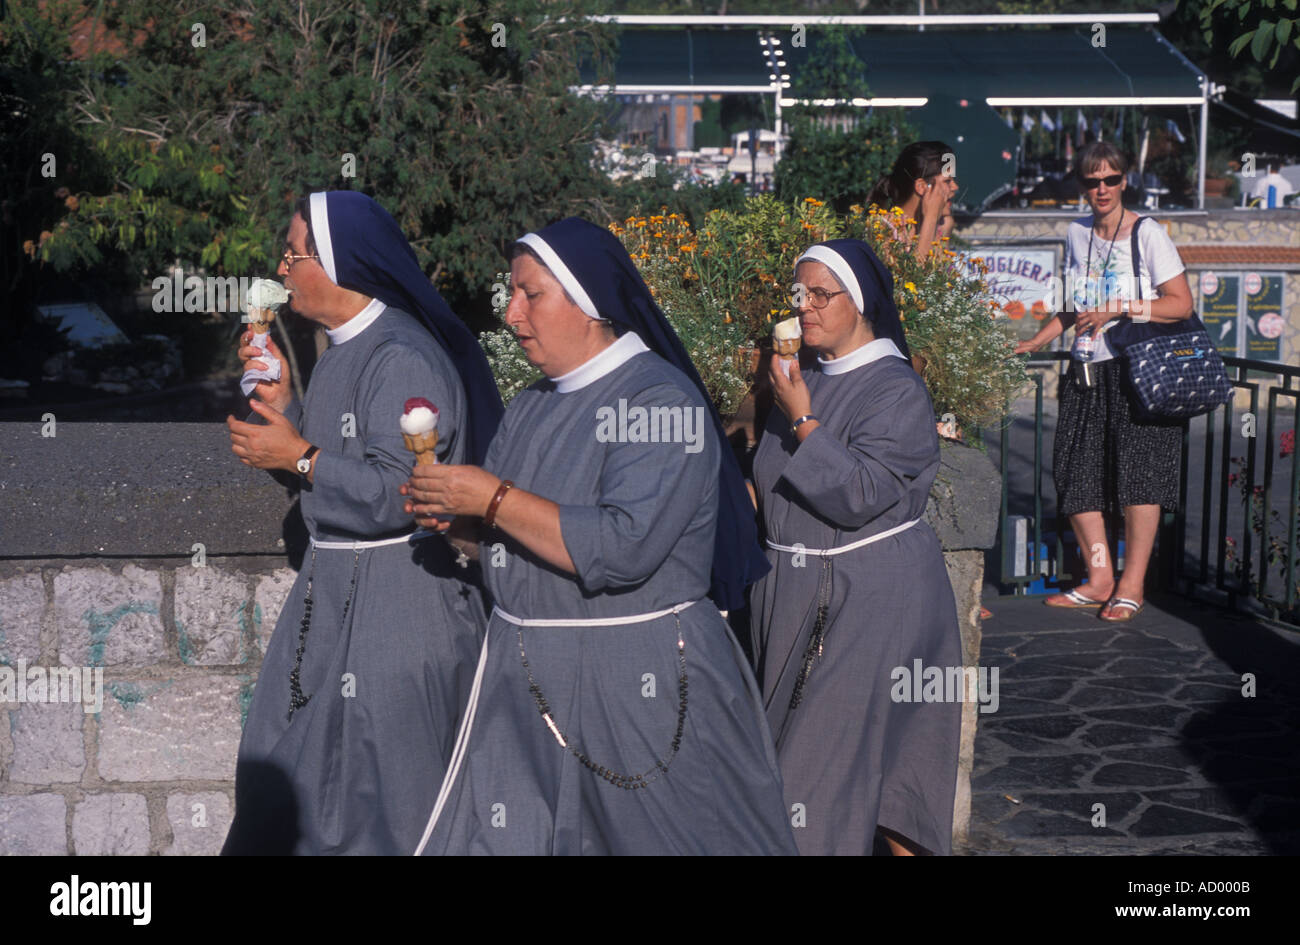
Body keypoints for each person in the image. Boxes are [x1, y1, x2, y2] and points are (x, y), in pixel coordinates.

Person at [403, 217, 794, 855]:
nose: (510, 312)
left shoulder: (661, 403)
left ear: (587, 303)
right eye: (512, 293)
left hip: (637, 685)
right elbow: (512, 541)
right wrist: (462, 527)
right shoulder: (531, 404)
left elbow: (620, 548)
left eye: (531, 294)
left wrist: (492, 499)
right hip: (526, 684)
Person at [222, 191, 503, 854]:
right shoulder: (346, 348)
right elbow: (342, 467)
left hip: (400, 609)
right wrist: (287, 415)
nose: (283, 269)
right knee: (294, 786)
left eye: (294, 254)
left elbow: (405, 490)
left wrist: (300, 454)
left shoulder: (402, 355)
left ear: (338, 262)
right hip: (340, 594)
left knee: (385, 807)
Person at [749, 238, 962, 856]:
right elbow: (771, 480)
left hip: (869, 600)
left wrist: (803, 420)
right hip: (800, 592)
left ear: (860, 301)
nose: (804, 308)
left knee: (815, 785)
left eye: (820, 294)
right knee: (875, 778)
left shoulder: (895, 389)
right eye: (799, 294)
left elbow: (860, 493)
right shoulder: (802, 376)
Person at [1015, 141, 1194, 621]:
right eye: (1092, 181)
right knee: (1076, 476)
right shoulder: (1076, 234)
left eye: (1110, 180)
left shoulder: (1148, 233)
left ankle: (1131, 584)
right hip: (1085, 370)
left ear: (1124, 181)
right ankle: (1099, 578)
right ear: (1080, 185)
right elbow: (1074, 306)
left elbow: (1180, 303)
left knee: (1139, 479)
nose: (1101, 189)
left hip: (1136, 369)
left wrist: (1120, 307)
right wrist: (1038, 340)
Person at [867, 140, 960, 260]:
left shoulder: (943, 224)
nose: (955, 187)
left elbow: (939, 276)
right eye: (947, 181)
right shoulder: (882, 228)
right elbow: (915, 277)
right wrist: (931, 218)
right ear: (921, 186)